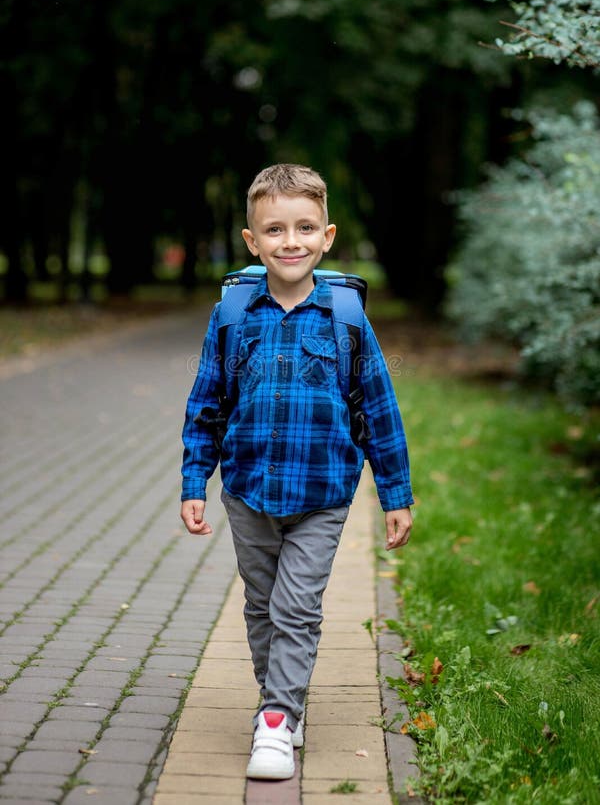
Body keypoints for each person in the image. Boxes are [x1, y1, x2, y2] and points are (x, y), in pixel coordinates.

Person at [180, 163, 413, 780]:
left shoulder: (345, 317)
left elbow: (378, 409)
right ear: (252, 241)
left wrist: (395, 493)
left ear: (327, 235)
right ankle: (279, 697)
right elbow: (206, 405)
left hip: (323, 494)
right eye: (275, 229)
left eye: (305, 227)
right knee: (261, 605)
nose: (291, 241)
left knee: (297, 608)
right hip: (249, 492)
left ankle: (277, 721)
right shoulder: (232, 316)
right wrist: (192, 483)